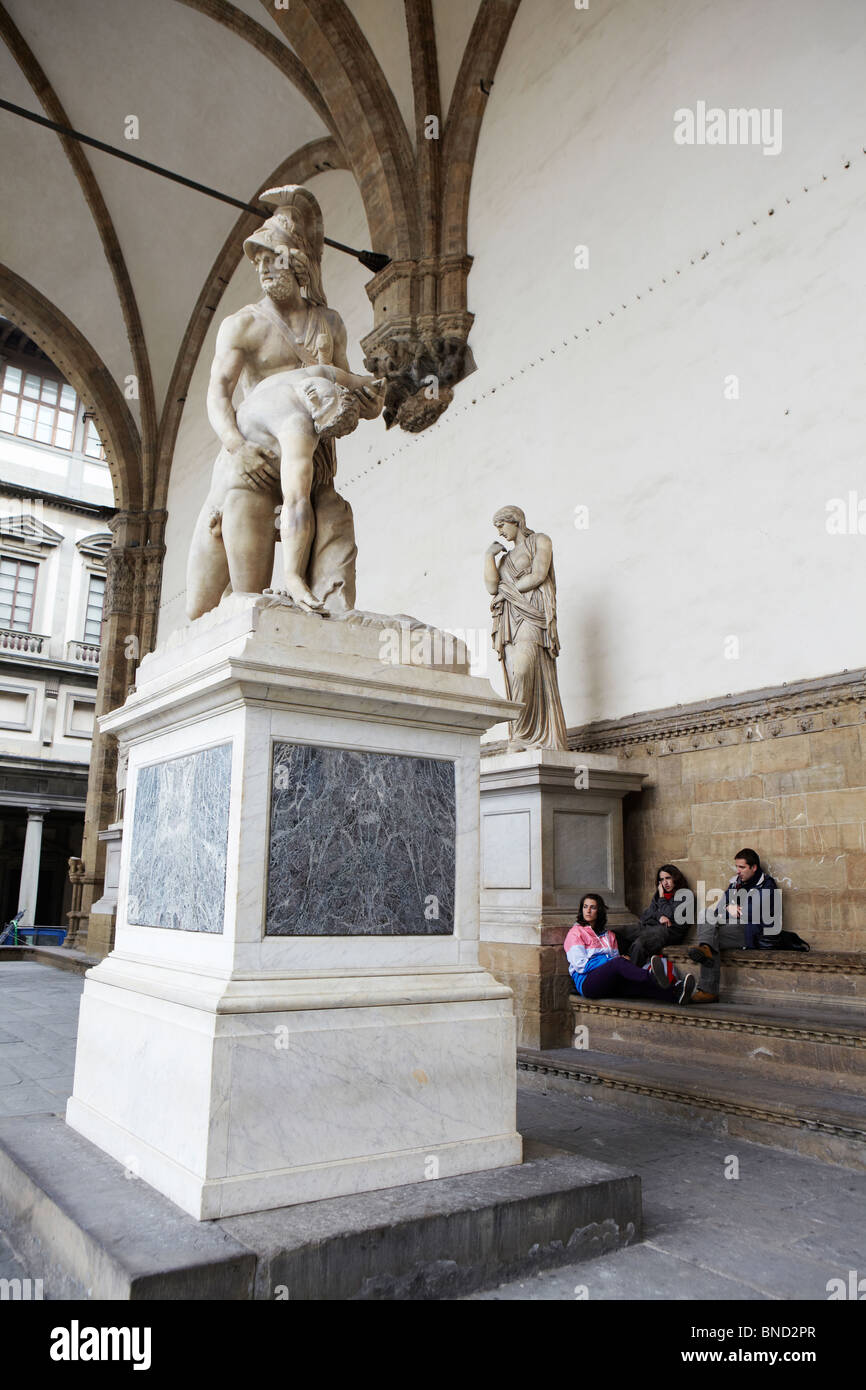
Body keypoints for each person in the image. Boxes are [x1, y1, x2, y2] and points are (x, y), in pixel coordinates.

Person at [187, 185, 379, 620]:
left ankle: (328, 636)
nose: (263, 270)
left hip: (313, 468)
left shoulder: (327, 323)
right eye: (258, 262)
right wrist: (237, 445)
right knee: (236, 606)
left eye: (272, 259)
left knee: (333, 532)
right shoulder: (245, 326)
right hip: (254, 462)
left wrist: (371, 396)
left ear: (298, 264)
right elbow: (217, 394)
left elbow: (345, 384)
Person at [484, 506, 569, 750]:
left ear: (516, 521)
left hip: (531, 614)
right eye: (496, 528)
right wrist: (488, 556)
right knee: (515, 676)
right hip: (510, 620)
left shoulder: (540, 541)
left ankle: (524, 734)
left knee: (524, 670)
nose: (500, 532)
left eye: (501, 525)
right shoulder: (505, 559)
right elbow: (492, 587)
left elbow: (539, 574)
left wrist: (507, 592)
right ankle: (522, 735)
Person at [564, 893, 696, 1004]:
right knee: (618, 963)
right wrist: (612, 961)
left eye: (592, 907)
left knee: (638, 987)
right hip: (588, 983)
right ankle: (655, 978)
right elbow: (581, 965)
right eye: (585, 907)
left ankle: (676, 993)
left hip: (608, 982)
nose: (588, 910)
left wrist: (615, 961)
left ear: (599, 911)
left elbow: (614, 960)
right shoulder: (575, 933)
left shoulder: (609, 936)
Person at [688, 848, 780, 1003]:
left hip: (751, 931)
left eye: (742, 867)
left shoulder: (767, 885)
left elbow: (756, 914)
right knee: (705, 914)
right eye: (737, 867)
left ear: (754, 867)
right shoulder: (735, 884)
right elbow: (718, 910)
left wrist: (734, 910)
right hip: (730, 927)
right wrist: (728, 908)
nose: (738, 871)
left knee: (711, 938)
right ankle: (706, 948)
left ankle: (708, 990)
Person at [613, 864, 690, 967]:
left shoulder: (685, 895)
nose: (665, 882)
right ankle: (618, 967)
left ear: (676, 878)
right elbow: (646, 915)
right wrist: (659, 916)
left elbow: (670, 915)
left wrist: (662, 898)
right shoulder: (658, 895)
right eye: (662, 879)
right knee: (614, 934)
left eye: (668, 878)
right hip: (650, 927)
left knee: (640, 944)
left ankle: (631, 976)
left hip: (670, 931)